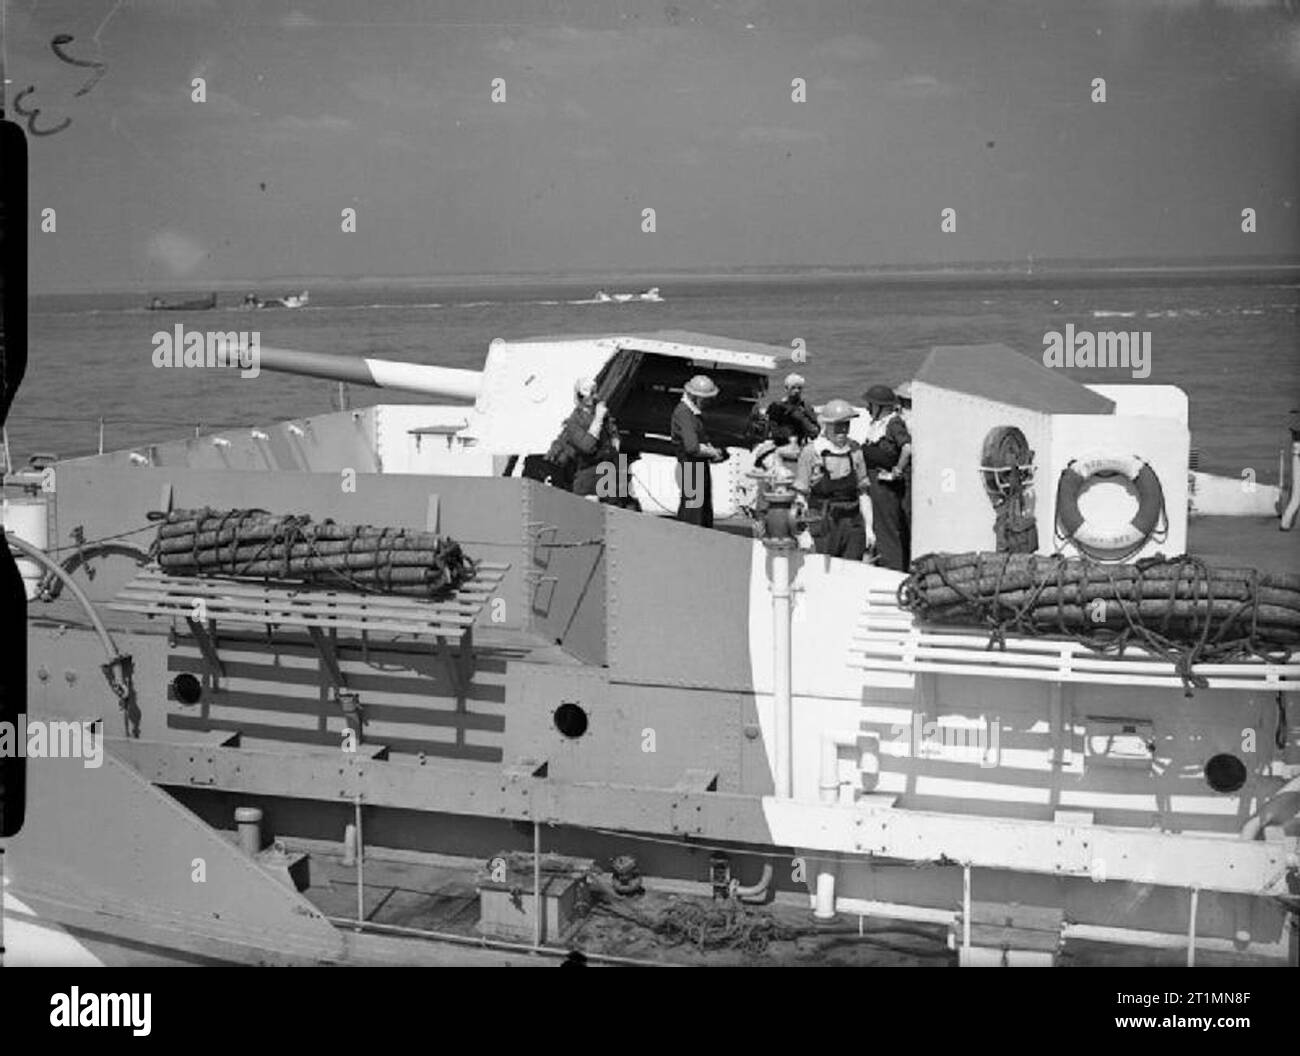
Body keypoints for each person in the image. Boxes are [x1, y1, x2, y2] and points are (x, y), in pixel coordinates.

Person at [792, 398, 874, 560]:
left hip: (852, 523)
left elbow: (863, 493)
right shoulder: (811, 452)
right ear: (827, 426)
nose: (843, 431)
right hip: (823, 523)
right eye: (838, 426)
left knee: (852, 568)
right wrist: (803, 533)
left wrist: (869, 528)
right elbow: (800, 496)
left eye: (846, 425)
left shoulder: (855, 450)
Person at [860, 384, 912, 571]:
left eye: (871, 405)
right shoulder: (877, 424)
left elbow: (907, 447)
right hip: (874, 482)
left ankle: (894, 567)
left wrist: (898, 469)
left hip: (885, 485)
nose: (868, 408)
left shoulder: (893, 423)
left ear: (881, 406)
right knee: (877, 525)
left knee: (887, 527)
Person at [546, 378, 622, 500]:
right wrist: (598, 418)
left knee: (616, 505)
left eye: (594, 393)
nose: (592, 398)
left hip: (609, 466)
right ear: (580, 397)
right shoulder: (573, 422)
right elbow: (587, 446)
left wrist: (615, 440)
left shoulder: (601, 411)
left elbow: (613, 431)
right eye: (588, 395)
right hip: (587, 471)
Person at [671, 374, 727, 527]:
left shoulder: (692, 413)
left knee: (701, 512)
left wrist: (711, 449)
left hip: (698, 467)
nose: (708, 402)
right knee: (693, 515)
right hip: (691, 468)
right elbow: (692, 447)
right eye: (706, 399)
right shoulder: (684, 413)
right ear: (695, 397)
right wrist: (713, 453)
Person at [765, 372, 820, 448]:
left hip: (801, 445)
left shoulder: (806, 407)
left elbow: (815, 432)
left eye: (799, 388)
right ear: (786, 389)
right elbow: (771, 429)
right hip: (782, 446)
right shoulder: (776, 407)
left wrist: (801, 419)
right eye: (793, 388)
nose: (797, 391)